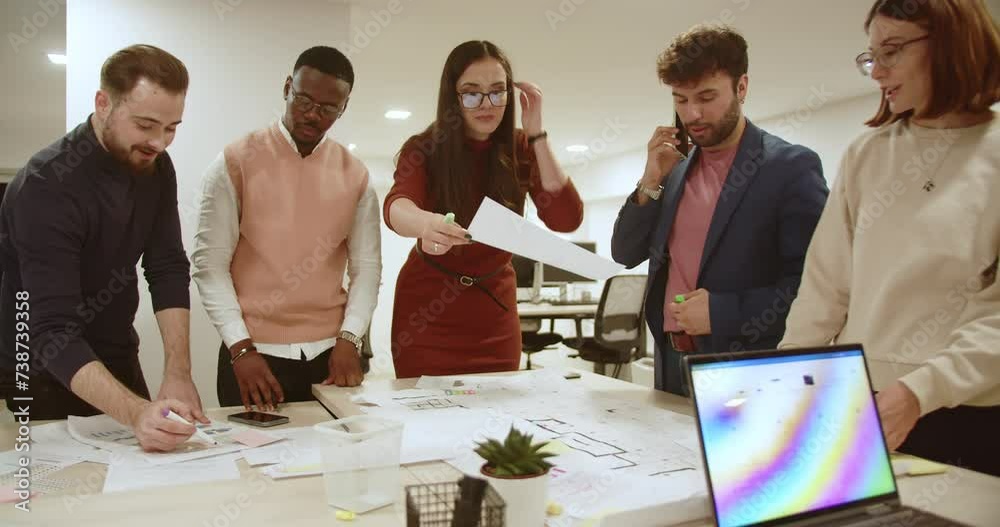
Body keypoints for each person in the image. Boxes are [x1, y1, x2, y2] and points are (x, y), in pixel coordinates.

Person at [780, 0, 1000, 476]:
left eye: (893, 51)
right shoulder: (866, 155)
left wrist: (922, 389)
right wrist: (786, 383)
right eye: (870, 57)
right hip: (864, 403)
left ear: (952, 44)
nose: (877, 72)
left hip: (969, 418)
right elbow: (823, 290)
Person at [0, 44, 204, 451]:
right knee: (69, 498)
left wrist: (178, 370)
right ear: (103, 103)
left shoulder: (156, 167)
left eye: (171, 127)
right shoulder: (46, 185)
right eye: (145, 124)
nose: (160, 142)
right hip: (41, 366)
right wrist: (134, 413)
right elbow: (52, 331)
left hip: (115, 350)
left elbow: (166, 266)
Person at [611, 25, 829, 396]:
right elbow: (625, 252)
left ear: (741, 87)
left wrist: (723, 311)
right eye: (681, 99)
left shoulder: (790, 167)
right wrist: (650, 178)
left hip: (744, 370)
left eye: (707, 97)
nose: (692, 113)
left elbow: (817, 289)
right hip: (669, 363)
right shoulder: (674, 168)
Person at [193, 46, 380, 411]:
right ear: (286, 88)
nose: (312, 114)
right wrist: (240, 347)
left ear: (344, 107)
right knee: (252, 466)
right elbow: (209, 267)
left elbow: (367, 268)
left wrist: (351, 337)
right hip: (252, 357)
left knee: (330, 463)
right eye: (303, 100)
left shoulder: (356, 175)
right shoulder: (235, 161)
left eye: (328, 108)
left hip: (332, 357)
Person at [384, 40, 583, 378]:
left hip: (495, 312)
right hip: (427, 315)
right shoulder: (424, 148)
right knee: (430, 424)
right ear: (453, 97)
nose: (486, 104)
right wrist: (425, 224)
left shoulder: (520, 147)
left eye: (497, 91)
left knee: (497, 420)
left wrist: (537, 135)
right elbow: (397, 206)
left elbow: (565, 218)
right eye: (471, 93)